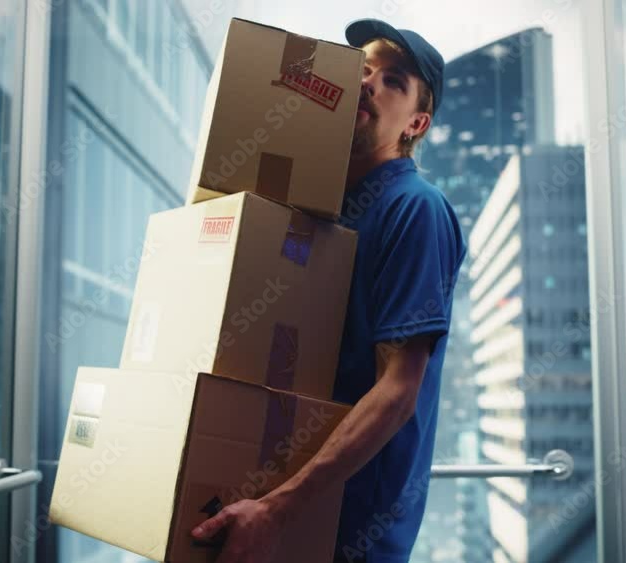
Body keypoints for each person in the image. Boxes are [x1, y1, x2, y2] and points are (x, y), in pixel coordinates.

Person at [191, 18, 466, 563]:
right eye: (362, 69)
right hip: (272, 505)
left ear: (417, 121)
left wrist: (277, 507)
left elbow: (398, 391)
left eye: (394, 80)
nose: (368, 83)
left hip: (347, 531)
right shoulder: (315, 207)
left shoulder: (416, 209)